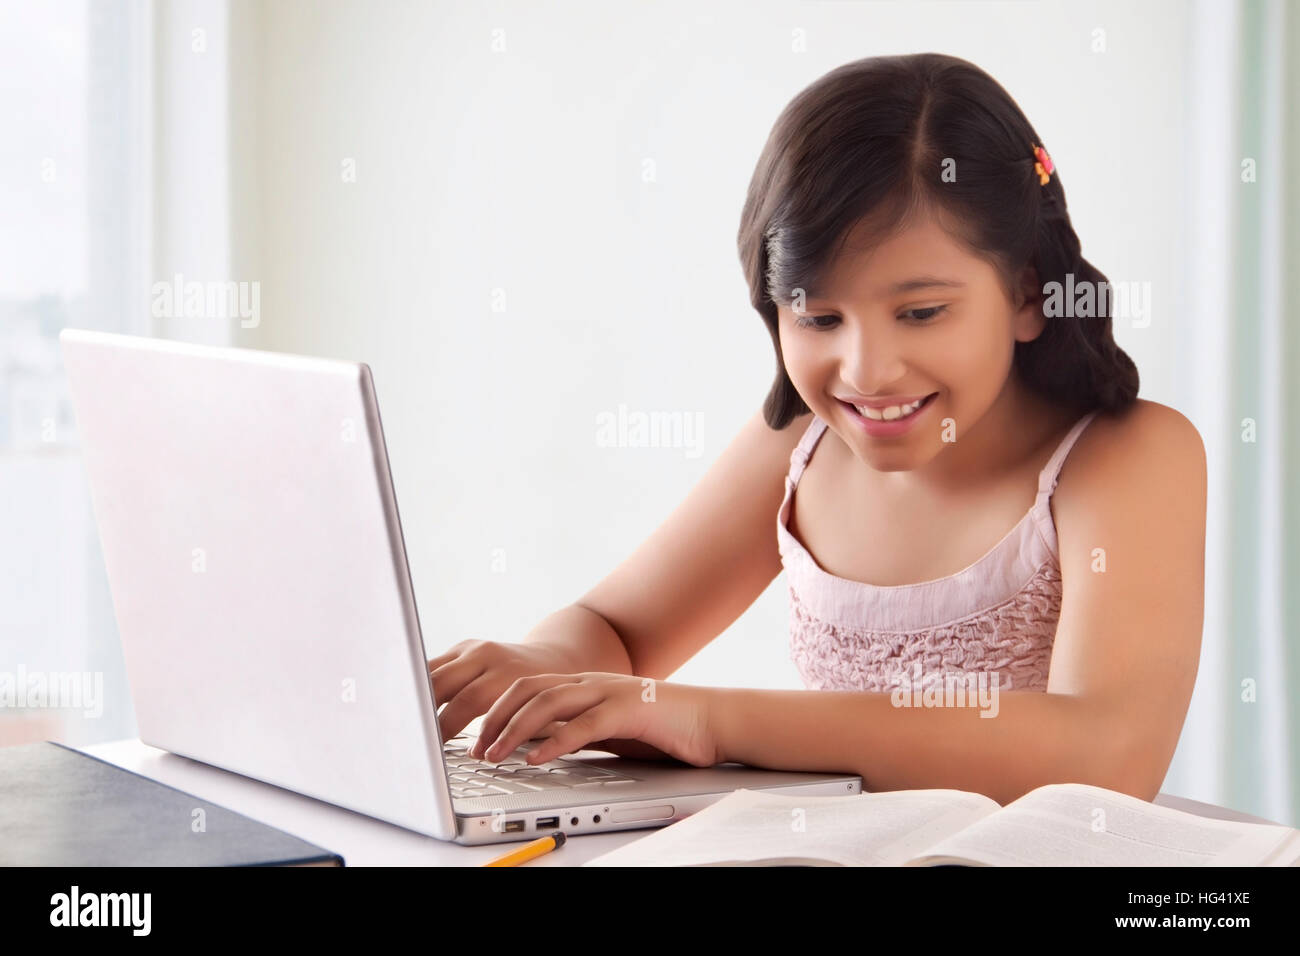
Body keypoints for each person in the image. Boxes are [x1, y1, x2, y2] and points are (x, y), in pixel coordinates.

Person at [426, 53, 1207, 806]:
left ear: (1029, 293)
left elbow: (1108, 753)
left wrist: (711, 719)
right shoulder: (800, 448)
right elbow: (614, 629)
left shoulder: (1125, 458)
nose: (867, 371)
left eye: (921, 312)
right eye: (819, 316)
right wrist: (548, 666)